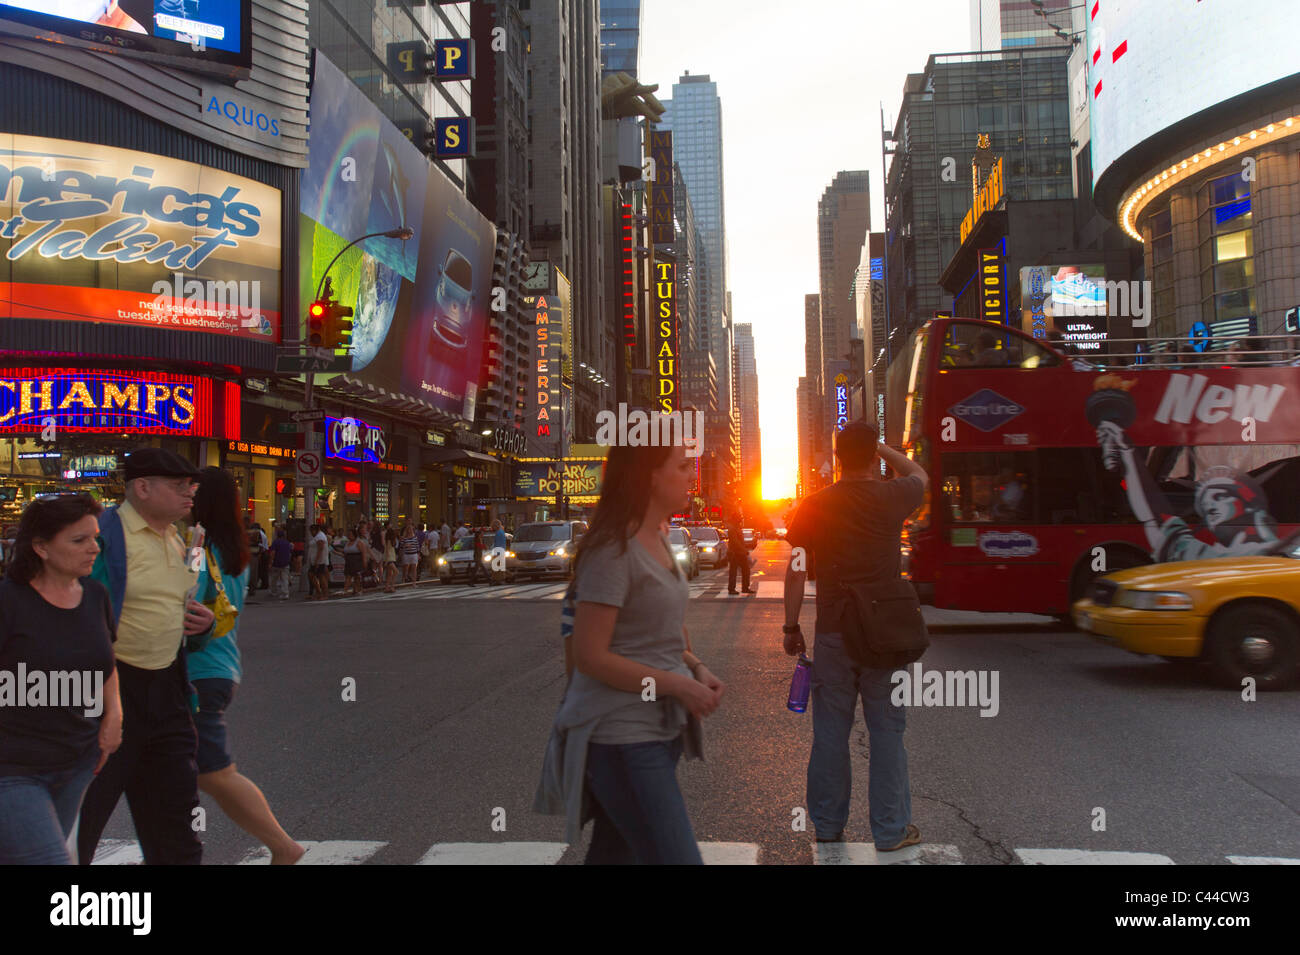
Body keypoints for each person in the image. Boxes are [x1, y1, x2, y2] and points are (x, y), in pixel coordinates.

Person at [533, 444, 724, 864]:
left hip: (658, 731)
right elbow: (590, 655)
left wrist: (696, 666)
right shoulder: (613, 549)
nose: (692, 475)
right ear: (650, 475)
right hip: (620, 737)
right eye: (681, 466)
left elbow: (664, 628)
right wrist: (678, 685)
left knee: (614, 856)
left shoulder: (655, 535)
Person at [782, 421, 928, 851]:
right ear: (872, 455)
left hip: (832, 634)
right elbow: (919, 475)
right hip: (885, 635)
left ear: (838, 455)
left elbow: (795, 568)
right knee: (887, 733)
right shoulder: (891, 495)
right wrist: (882, 447)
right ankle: (890, 831)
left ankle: (828, 826)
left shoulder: (816, 504)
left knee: (829, 733)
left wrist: (791, 626)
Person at [78, 448, 216, 866]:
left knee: (176, 825)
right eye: (179, 487)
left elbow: (193, 600)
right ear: (142, 487)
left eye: (191, 487)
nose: (189, 495)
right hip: (111, 692)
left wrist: (203, 625)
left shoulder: (183, 538)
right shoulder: (101, 536)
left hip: (169, 692)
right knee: (81, 821)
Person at [188, 468, 305, 865]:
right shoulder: (232, 547)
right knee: (185, 768)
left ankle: (283, 845)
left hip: (199, 670)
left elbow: (184, 600)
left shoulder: (200, 548)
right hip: (222, 664)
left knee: (215, 773)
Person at [0, 493, 121, 864]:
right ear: (40, 547)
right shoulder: (8, 601)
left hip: (77, 762)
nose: (93, 549)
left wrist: (114, 715)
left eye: (95, 538)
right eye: (78, 540)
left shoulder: (95, 596)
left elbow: (105, 662)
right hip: (13, 767)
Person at [726, 514, 754, 595]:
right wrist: (744, 549)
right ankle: (731, 589)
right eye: (739, 519)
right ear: (735, 520)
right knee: (733, 571)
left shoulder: (738, 528)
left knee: (746, 570)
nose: (740, 521)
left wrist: (744, 549)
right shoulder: (732, 529)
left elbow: (740, 541)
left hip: (740, 553)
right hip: (734, 553)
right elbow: (735, 542)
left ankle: (745, 587)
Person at [268, 527, 293, 601]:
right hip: (285, 563)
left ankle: (273, 591)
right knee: (284, 578)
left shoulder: (275, 542)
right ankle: (285, 593)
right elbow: (290, 552)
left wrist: (270, 562)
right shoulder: (287, 543)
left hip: (276, 563)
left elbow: (272, 553)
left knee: (274, 578)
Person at [342, 526, 366, 597]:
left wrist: (364, 562)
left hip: (357, 561)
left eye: (350, 534)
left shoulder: (359, 542)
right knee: (348, 576)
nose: (349, 536)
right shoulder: (347, 542)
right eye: (348, 534)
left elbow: (363, 553)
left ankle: (357, 590)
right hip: (349, 561)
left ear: (354, 535)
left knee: (356, 576)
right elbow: (344, 552)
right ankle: (346, 590)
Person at [308, 523, 330, 601]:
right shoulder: (317, 537)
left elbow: (320, 549)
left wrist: (317, 561)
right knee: (312, 575)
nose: (311, 533)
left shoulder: (320, 537)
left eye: (311, 531)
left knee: (321, 576)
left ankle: (324, 593)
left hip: (320, 561)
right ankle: (319, 592)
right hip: (315, 560)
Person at [382, 526, 399, 593]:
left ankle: (387, 587)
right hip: (390, 559)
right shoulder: (390, 541)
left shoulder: (388, 541)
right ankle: (392, 586)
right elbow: (388, 551)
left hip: (390, 558)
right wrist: (386, 560)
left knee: (389, 574)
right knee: (396, 572)